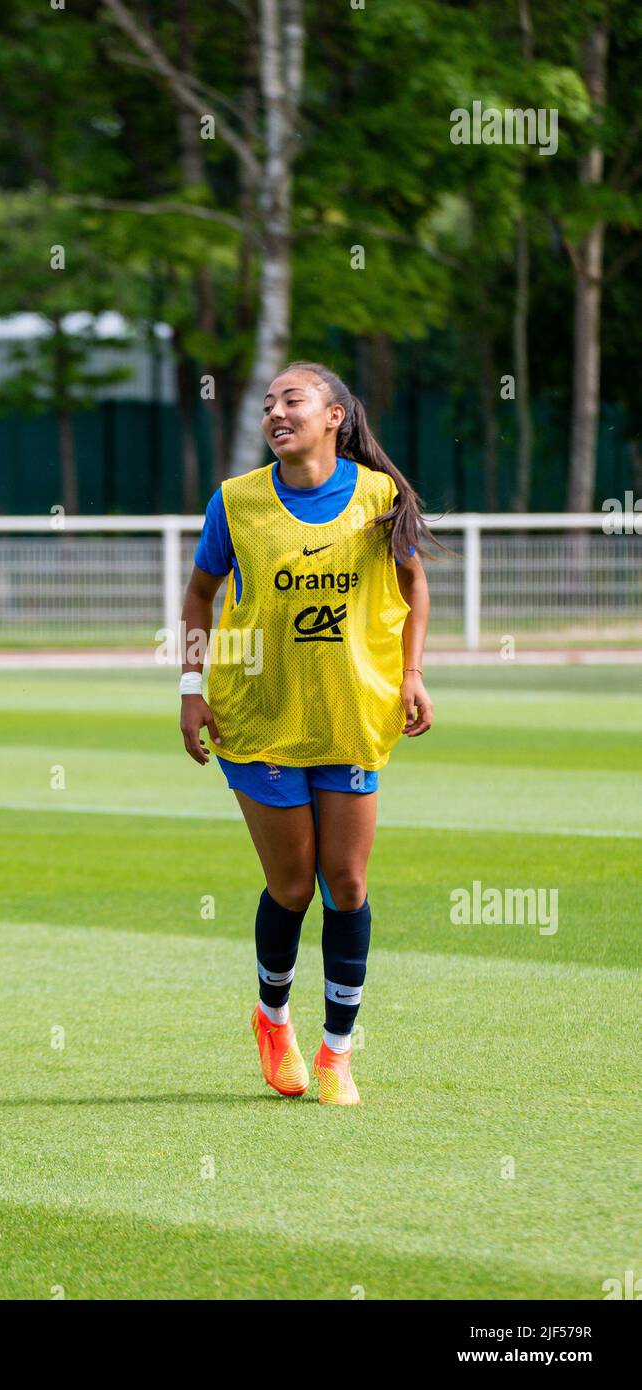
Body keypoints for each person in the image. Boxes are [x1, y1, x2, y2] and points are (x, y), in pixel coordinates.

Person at [179, 361, 434, 1106]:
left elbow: (412, 584)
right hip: (255, 717)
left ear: (335, 416)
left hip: (350, 715)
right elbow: (199, 594)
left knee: (346, 884)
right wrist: (190, 688)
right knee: (292, 886)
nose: (274, 413)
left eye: (291, 399)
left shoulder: (381, 497)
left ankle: (336, 1054)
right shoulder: (236, 502)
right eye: (266, 404)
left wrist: (413, 673)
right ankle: (272, 1021)